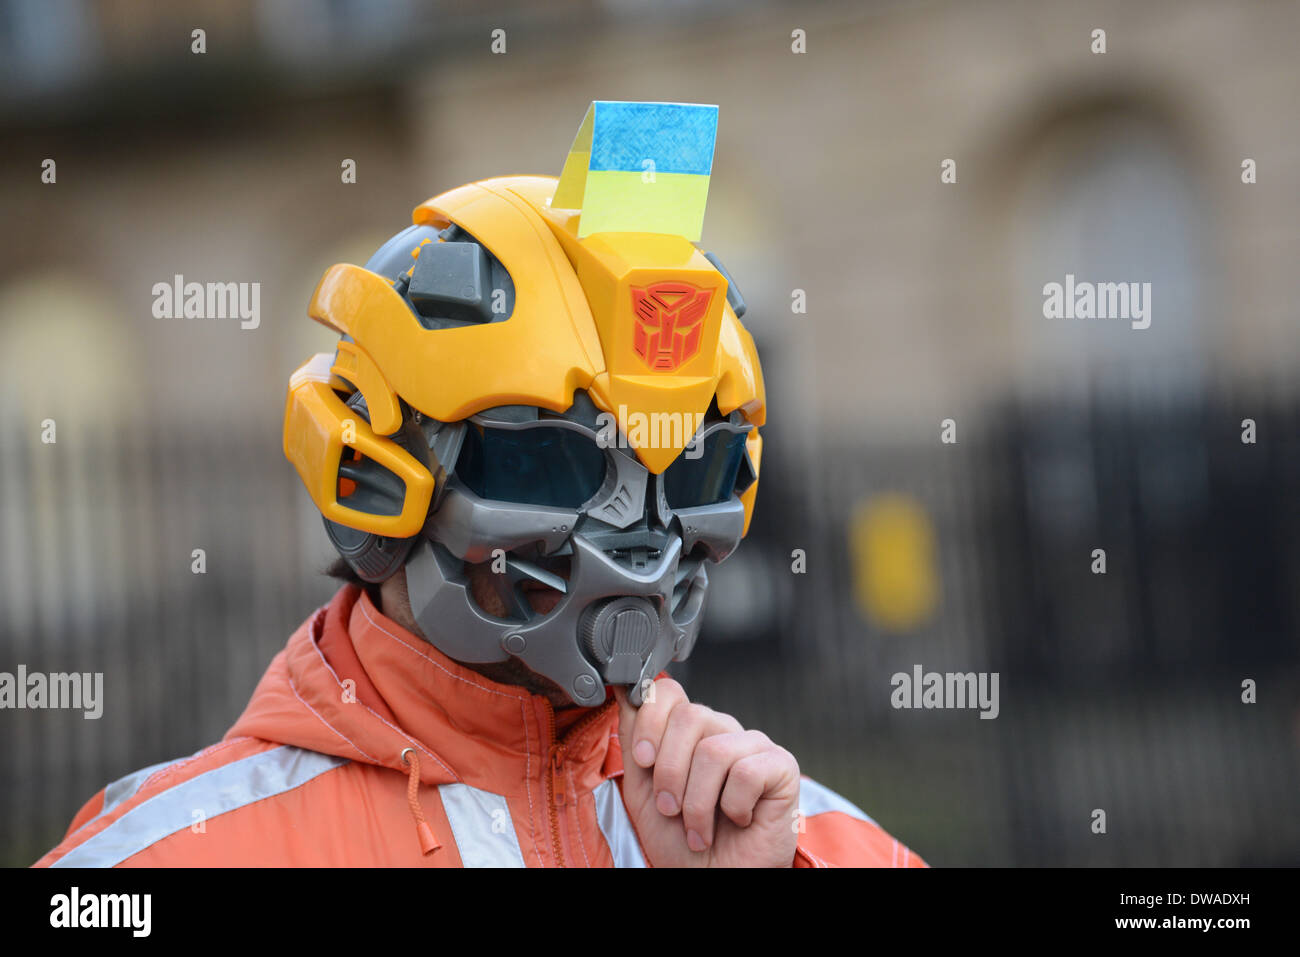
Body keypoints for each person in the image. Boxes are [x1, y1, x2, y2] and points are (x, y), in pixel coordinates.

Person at [36, 102, 925, 868]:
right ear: (368, 482)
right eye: (545, 461)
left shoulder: (807, 838)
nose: (632, 537)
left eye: (689, 465)